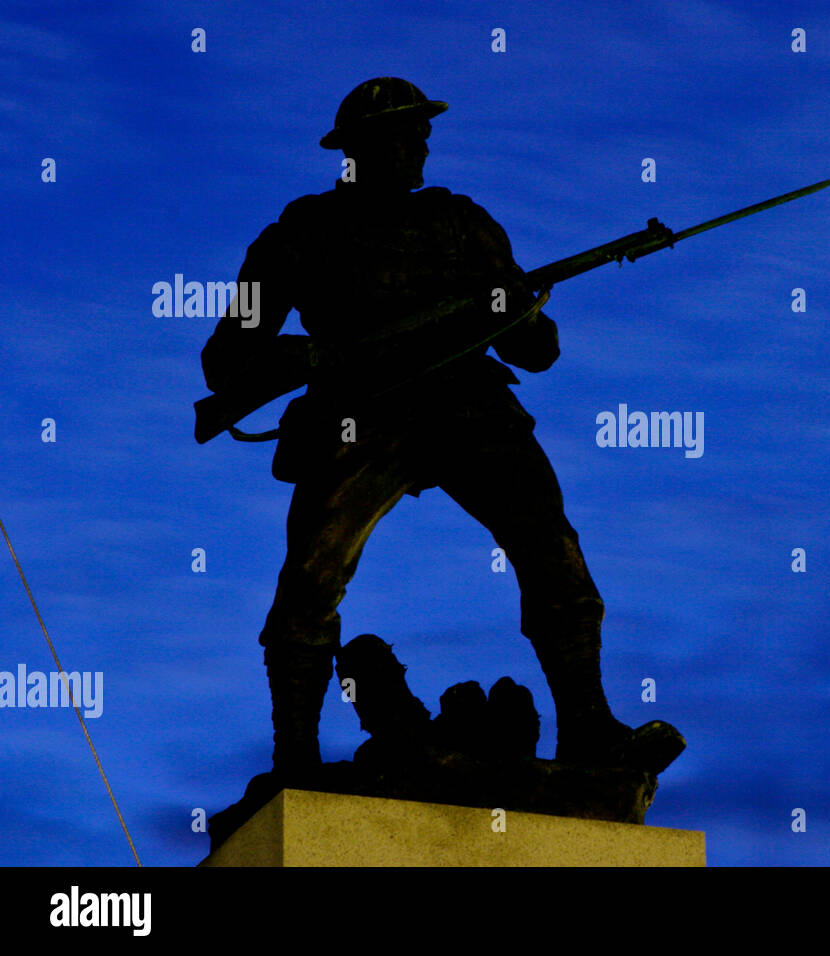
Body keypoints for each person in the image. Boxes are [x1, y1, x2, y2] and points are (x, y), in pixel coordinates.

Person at [201, 77, 682, 779]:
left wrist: (516, 312)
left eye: (424, 134)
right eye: (404, 136)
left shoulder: (461, 223)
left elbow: (538, 351)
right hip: (356, 413)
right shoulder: (299, 235)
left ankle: (587, 726)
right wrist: (301, 355)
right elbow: (226, 360)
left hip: (469, 405)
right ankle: (294, 761)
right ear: (357, 150)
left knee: (553, 552)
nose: (421, 148)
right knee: (310, 582)